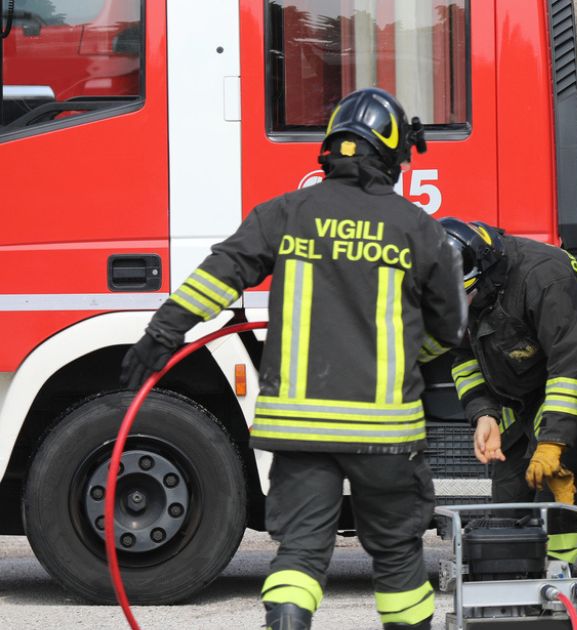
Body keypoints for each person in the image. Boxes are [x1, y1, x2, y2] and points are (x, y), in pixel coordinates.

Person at [120, 88, 466, 630]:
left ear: (329, 150)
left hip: (300, 429)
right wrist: (406, 348)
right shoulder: (418, 229)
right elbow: (451, 329)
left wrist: (161, 335)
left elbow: (221, 272)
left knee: (301, 553)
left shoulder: (286, 212)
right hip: (385, 434)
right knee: (397, 555)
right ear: (392, 156)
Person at [440, 217, 577, 567]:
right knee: (508, 503)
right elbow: (463, 358)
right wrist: (484, 415)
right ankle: (512, 590)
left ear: (483, 270)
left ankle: (558, 585)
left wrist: (554, 443)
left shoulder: (543, 276)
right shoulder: (460, 286)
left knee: (555, 491)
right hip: (522, 396)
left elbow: (571, 364)